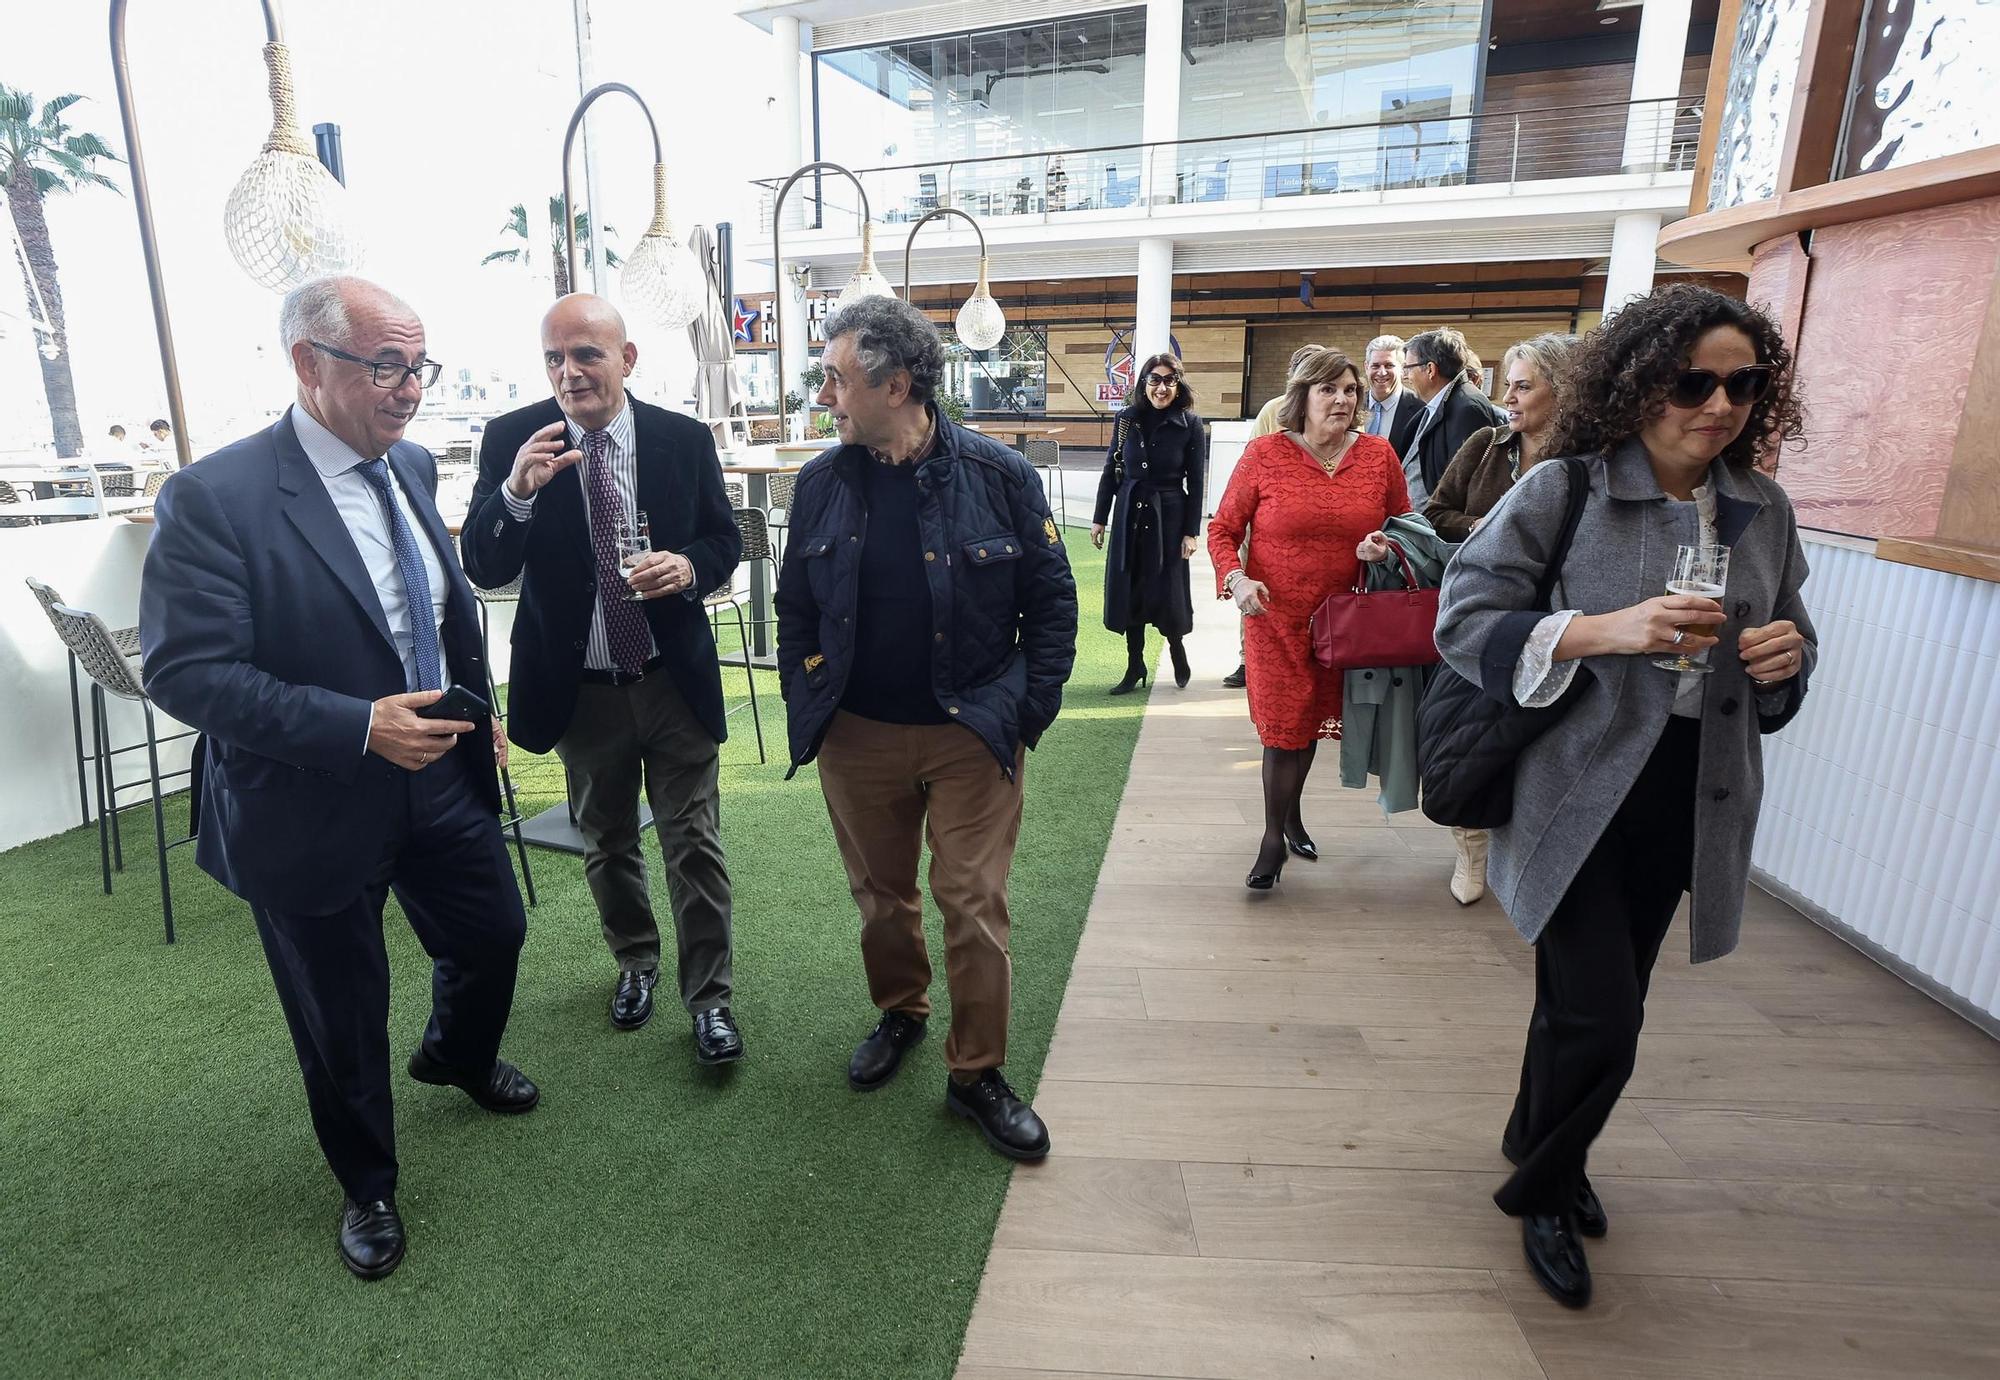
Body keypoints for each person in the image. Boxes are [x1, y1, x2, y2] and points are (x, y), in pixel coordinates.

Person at [139, 275, 537, 1281]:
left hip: (436, 771)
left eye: (419, 365)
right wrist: (358, 727)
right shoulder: (214, 496)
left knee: (493, 933)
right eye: (386, 365)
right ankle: (368, 1186)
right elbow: (186, 672)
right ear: (307, 363)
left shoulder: (410, 464)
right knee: (341, 1011)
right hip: (305, 798)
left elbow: (432, 611)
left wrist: (471, 710)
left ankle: (454, 1054)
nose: (410, 387)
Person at [1434, 284, 1815, 1310]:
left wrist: (1786, 658)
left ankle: (1537, 1136)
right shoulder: (1564, 490)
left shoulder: (1763, 508)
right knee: (1602, 1016)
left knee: (1594, 999)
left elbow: (1790, 632)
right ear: (1641, 383)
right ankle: (1546, 1190)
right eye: (1693, 383)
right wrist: (1607, 630)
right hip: (1574, 789)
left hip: (1693, 793)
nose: (1719, 404)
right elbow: (1461, 621)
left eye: (1743, 384)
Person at [775, 294, 1077, 1161]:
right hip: (856, 734)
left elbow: (1052, 604)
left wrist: (1024, 712)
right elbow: (796, 609)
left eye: (836, 379)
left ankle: (976, 1073)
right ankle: (901, 1011)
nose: (824, 396)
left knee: (972, 902)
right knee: (882, 898)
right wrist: (811, 694)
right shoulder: (821, 484)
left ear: (896, 385)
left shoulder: (999, 475)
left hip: (972, 730)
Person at [461, 294, 744, 1065]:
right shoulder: (515, 439)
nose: (569, 372)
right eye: (554, 358)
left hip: (671, 677)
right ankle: (635, 963)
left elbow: (724, 539)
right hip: (580, 687)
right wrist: (516, 494)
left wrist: (688, 566)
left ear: (627, 358)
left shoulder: (682, 439)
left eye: (587, 354)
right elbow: (483, 565)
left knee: (694, 843)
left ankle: (710, 1001)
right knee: (608, 841)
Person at [1207, 347, 1409, 890]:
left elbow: (1406, 525)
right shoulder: (1265, 454)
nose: (1342, 399)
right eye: (1329, 389)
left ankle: (1291, 817)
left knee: (1308, 723)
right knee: (1283, 730)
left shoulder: (1378, 455)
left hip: (1343, 624)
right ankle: (1273, 839)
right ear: (1302, 397)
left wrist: (1384, 547)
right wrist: (1236, 579)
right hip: (1273, 617)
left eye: (1350, 390)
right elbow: (1223, 528)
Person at [1424, 331, 1579, 905]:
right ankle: (1471, 848)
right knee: (1468, 739)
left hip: (1559, 625)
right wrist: (1491, 531)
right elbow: (1437, 511)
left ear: (1564, 390)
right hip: (1484, 618)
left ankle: (1526, 856)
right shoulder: (1487, 444)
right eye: (1508, 386)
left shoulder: (1588, 466)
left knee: (1527, 745)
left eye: (1523, 386)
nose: (1508, 398)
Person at [1092, 352, 1205, 693]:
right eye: (1154, 379)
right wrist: (1099, 518)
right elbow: (1112, 469)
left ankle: (1176, 649)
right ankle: (1135, 664)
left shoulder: (1190, 424)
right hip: (1130, 512)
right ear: (1144, 383)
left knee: (1168, 589)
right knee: (1132, 587)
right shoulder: (1126, 419)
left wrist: (1190, 532)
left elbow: (1196, 483)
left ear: (1178, 385)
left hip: (1169, 516)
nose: (1161, 387)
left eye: (1169, 380)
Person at [1229, 345, 1325, 689]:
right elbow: (1251, 466)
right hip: (1268, 521)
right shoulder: (1274, 410)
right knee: (1259, 590)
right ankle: (1249, 659)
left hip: (1315, 524)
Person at [1400, 326, 1503, 506]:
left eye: (1408, 368)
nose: (1406, 376)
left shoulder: (1468, 408)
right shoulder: (1443, 403)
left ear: (1430, 369)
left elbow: (1468, 483)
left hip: (1439, 522)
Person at [1361, 334, 1425, 460]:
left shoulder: (1421, 409)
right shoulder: (1353, 405)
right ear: (1366, 367)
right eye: (1375, 366)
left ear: (1403, 369)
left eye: (1389, 365)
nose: (1382, 372)